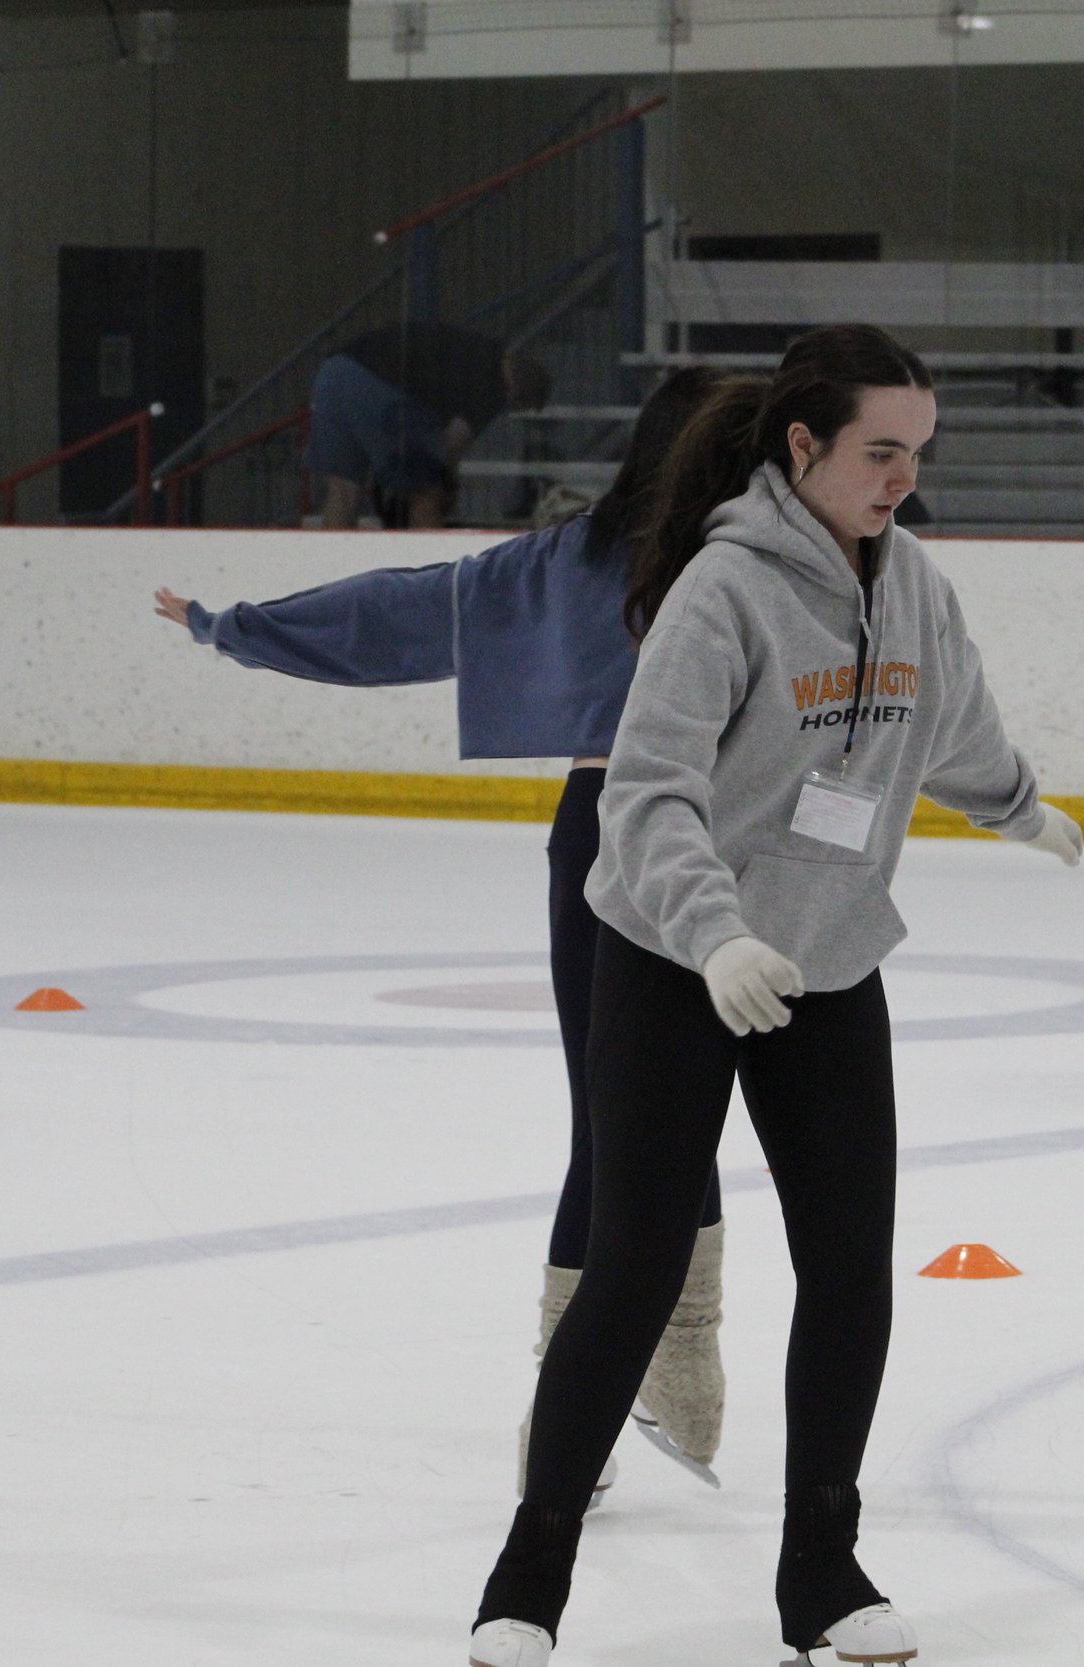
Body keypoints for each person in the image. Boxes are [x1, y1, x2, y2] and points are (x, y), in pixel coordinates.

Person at [468, 324, 1083, 1667]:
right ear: (802, 446)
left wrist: (1019, 807)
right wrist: (715, 936)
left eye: (918, 452)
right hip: (673, 958)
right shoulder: (723, 589)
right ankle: (529, 1571)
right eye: (880, 451)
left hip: (829, 959)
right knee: (635, 1265)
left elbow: (952, 722)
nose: (904, 478)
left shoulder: (912, 585)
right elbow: (647, 793)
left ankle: (823, 1567)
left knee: (851, 1267)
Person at [151, 366, 731, 1499]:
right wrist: (240, 629)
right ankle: (601, 1386)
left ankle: (662, 1351)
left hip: (706, 843)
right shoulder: (600, 563)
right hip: (628, 837)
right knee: (625, 1116)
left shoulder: (747, 567)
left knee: (654, 1112)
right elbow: (401, 611)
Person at [307, 320, 553, 530]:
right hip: (383, 387)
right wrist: (448, 483)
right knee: (425, 494)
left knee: (342, 490)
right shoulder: (493, 384)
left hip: (335, 371)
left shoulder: (476, 349)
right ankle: (429, 566)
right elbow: (451, 442)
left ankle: (332, 568)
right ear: (518, 393)